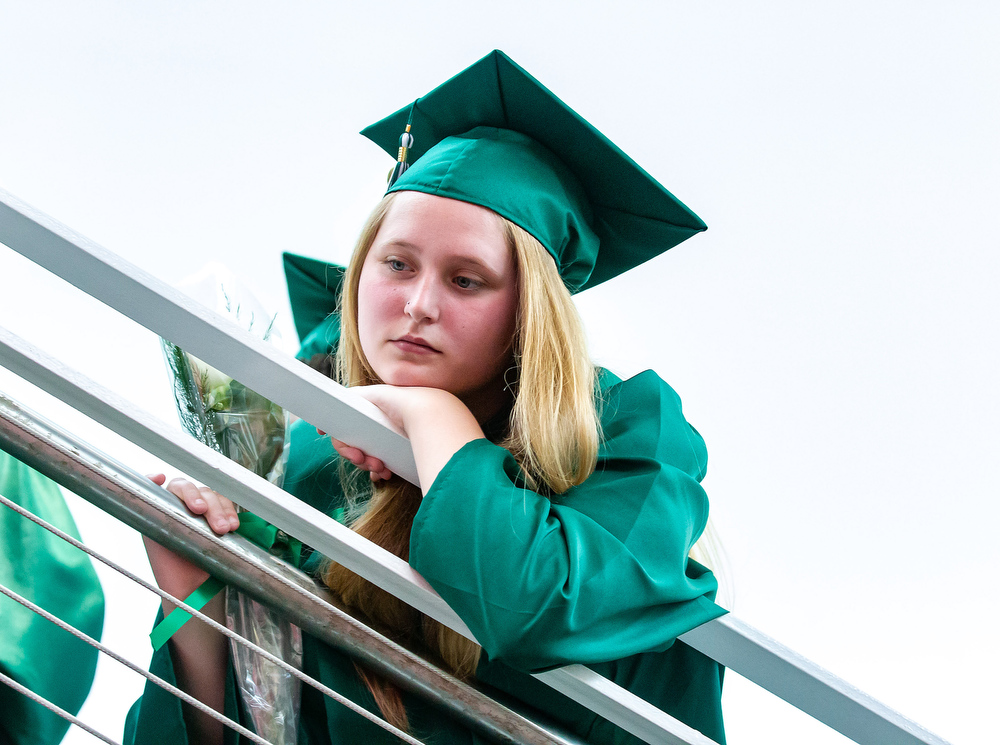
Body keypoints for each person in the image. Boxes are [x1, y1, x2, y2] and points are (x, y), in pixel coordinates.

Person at [126, 50, 727, 744]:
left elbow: (534, 606)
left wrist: (432, 416)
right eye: (397, 264)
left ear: (530, 313)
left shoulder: (626, 434)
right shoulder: (313, 465)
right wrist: (193, 592)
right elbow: (263, 722)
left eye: (466, 279)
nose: (417, 304)